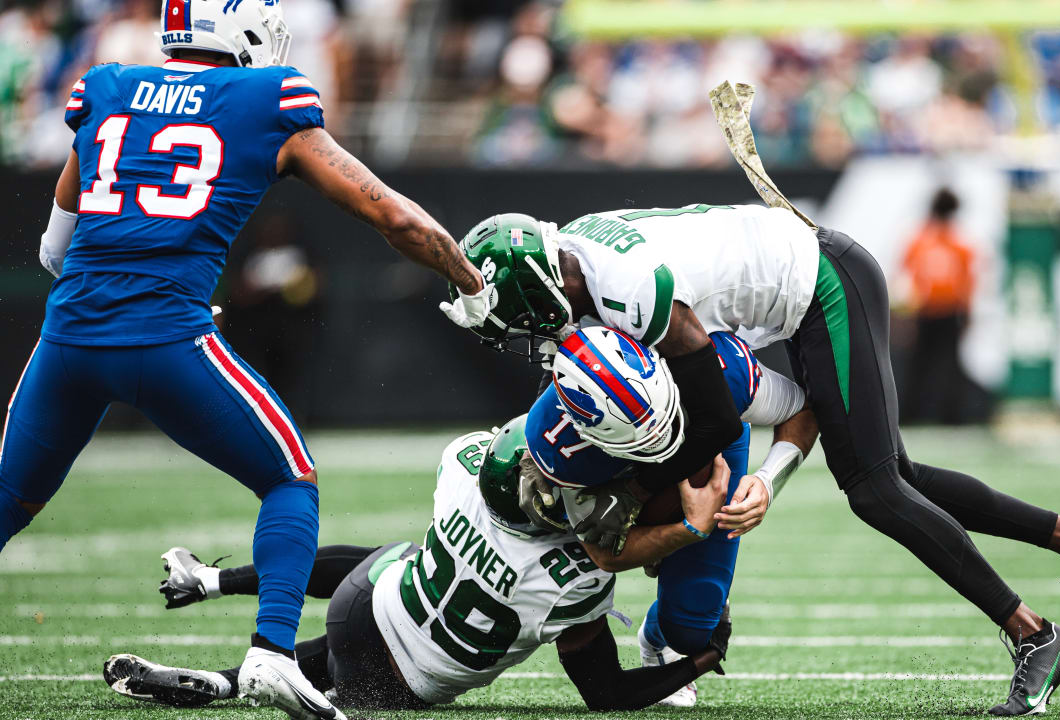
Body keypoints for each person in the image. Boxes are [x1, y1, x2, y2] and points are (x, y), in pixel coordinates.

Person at [0, 1, 494, 718]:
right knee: (289, 479)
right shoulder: (267, 96)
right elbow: (393, 216)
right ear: (242, 30)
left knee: (10, 498)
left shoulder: (105, 85)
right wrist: (472, 283)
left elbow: (55, 251)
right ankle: (269, 654)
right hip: (168, 340)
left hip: (69, 339)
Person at [444, 208, 1060, 715]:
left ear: (539, 284)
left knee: (874, 489)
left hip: (822, 285)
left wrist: (664, 491)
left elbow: (717, 417)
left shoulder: (627, 290)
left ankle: (1034, 635)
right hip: (798, 271)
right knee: (899, 476)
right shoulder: (580, 263)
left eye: (522, 319)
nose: (531, 336)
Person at [102, 417, 731, 711]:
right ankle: (256, 676)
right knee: (389, 643)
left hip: (368, 603)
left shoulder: (463, 465)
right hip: (400, 685)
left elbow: (523, 447)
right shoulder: (581, 585)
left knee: (400, 562)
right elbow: (606, 694)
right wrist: (697, 659)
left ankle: (218, 639)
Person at [521, 326, 817, 706]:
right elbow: (603, 553)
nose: (660, 443)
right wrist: (687, 529)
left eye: (661, 423)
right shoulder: (559, 445)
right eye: (641, 440)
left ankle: (658, 637)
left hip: (706, 445)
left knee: (690, 629)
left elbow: (803, 409)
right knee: (595, 527)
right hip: (613, 479)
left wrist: (766, 482)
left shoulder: (721, 372)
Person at [899, 187, 977, 424]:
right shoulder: (960, 244)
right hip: (949, 312)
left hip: (925, 311)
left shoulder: (919, 240)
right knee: (948, 365)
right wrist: (967, 314)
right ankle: (950, 416)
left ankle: (913, 415)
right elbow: (967, 283)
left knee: (919, 366)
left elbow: (907, 279)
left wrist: (905, 316)